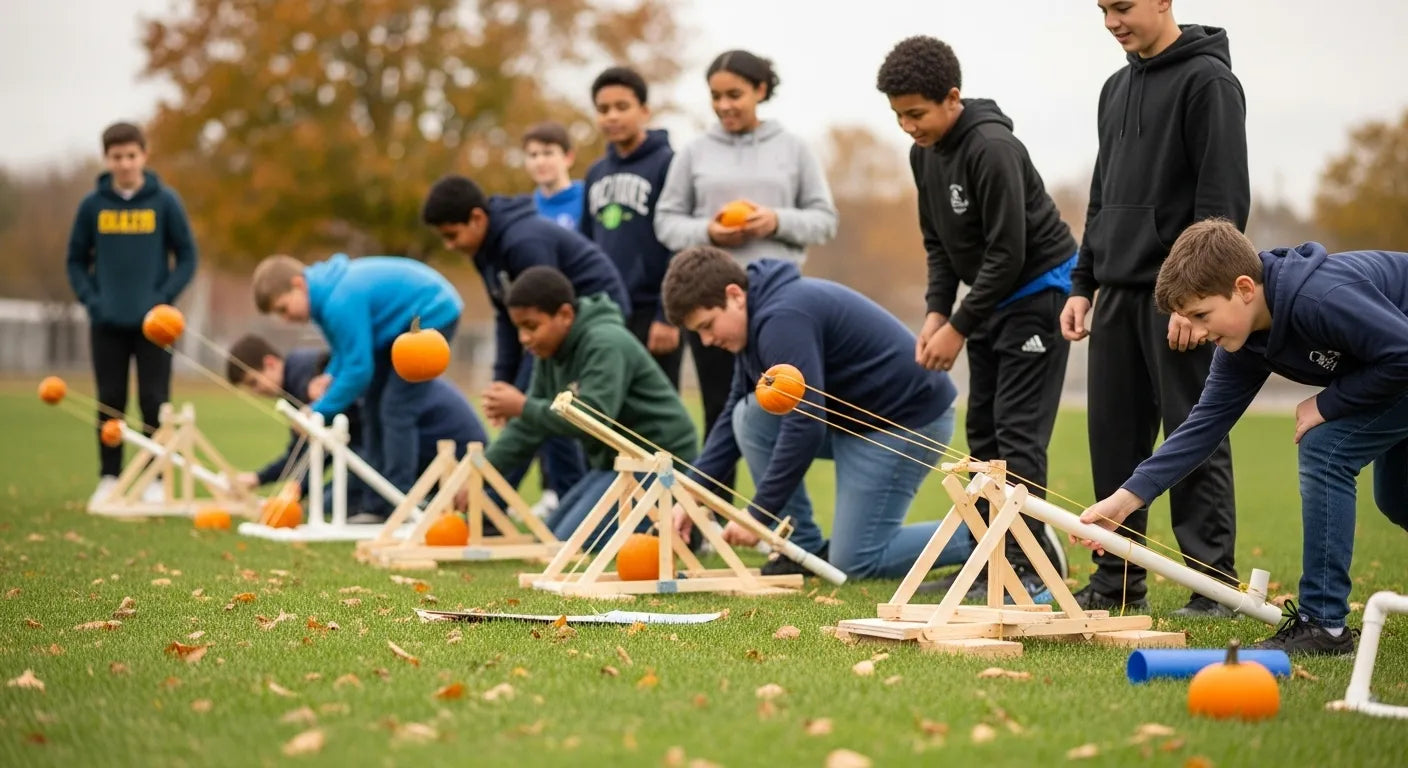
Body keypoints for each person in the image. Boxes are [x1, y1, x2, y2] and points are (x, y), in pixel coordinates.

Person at [1078, 218, 1408, 654]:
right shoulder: (1244, 344)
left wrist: (1326, 404)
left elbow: (1402, 354)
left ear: (1244, 289)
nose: (1198, 331)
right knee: (1397, 496)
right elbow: (1203, 426)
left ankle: (1324, 625)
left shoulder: (1318, 297)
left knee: (1325, 449)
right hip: (1392, 373)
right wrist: (1125, 501)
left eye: (1201, 314)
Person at [1060, 0, 1249, 615]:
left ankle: (1212, 588)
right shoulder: (1114, 87)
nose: (1112, 21)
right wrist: (1082, 281)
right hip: (1113, 294)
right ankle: (1114, 585)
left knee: (1192, 438)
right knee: (1112, 441)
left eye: (1123, 7)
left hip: (1179, 301)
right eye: (1102, 10)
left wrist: (1193, 299)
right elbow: (1101, 195)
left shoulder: (1209, 82)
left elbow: (1222, 198)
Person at [876, 35, 1074, 596]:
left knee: (1016, 437)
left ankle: (1032, 571)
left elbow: (1008, 253)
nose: (909, 127)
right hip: (989, 301)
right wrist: (937, 314)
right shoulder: (924, 156)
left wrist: (958, 328)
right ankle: (993, 566)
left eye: (916, 113)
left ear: (952, 98)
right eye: (898, 116)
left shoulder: (991, 148)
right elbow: (939, 246)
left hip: (1037, 294)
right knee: (983, 435)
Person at [662, 247, 970, 579]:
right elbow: (732, 417)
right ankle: (801, 548)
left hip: (906, 423)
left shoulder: (782, 319)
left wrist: (758, 515)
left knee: (855, 561)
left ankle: (995, 535)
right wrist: (691, 494)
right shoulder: (758, 321)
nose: (706, 340)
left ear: (735, 295)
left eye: (707, 325)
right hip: (857, 425)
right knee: (748, 416)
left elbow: (805, 422)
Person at [654, 49, 838, 478]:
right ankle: (714, 513)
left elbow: (824, 221)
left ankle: (779, 514)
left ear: (760, 90)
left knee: (786, 409)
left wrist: (776, 220)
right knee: (721, 409)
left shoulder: (793, 150)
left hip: (777, 302)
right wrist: (709, 233)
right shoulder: (693, 153)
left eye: (734, 94)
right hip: (714, 304)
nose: (723, 106)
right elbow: (665, 222)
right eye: (715, 96)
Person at [421, 175, 632, 514]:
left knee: (540, 405)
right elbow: (509, 317)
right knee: (539, 407)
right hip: (548, 327)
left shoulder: (523, 242)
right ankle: (561, 502)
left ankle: (495, 501)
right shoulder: (485, 253)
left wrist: (518, 396)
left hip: (592, 317)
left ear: (477, 218)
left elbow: (540, 312)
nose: (449, 245)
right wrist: (501, 379)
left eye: (451, 235)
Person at [482, 266, 697, 545]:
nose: (524, 338)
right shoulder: (548, 352)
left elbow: (595, 418)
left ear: (565, 315)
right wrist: (482, 472)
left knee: (570, 542)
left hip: (658, 464)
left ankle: (686, 526)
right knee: (549, 537)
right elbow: (527, 429)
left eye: (531, 326)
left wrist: (523, 406)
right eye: (519, 329)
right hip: (614, 467)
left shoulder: (605, 342)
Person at [250, 253, 463, 520]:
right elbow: (347, 351)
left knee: (395, 409)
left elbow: (360, 369)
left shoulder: (338, 302)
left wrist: (319, 411)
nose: (284, 318)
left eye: (283, 308)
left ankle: (400, 501)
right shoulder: (326, 300)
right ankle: (376, 501)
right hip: (392, 332)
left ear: (298, 285)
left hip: (432, 313)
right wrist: (330, 376)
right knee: (371, 408)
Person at [65, 121, 197, 502]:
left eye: (131, 155)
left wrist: (164, 298)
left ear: (144, 155)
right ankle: (109, 476)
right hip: (107, 322)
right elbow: (75, 261)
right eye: (116, 156)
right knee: (110, 398)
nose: (124, 163)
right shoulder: (92, 207)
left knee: (155, 400)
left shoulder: (165, 201)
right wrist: (93, 300)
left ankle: (156, 479)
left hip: (155, 326)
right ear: (106, 159)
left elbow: (188, 256)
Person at [225, 334, 487, 522]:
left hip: (438, 438)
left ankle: (413, 503)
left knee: (331, 501)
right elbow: (308, 450)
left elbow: (325, 445)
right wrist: (268, 482)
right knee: (328, 499)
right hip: (403, 441)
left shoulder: (305, 377)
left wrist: (290, 490)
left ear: (270, 363)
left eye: (254, 383)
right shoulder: (297, 376)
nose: (256, 393)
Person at [579, 65, 683, 387]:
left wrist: (667, 316)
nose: (612, 116)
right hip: (607, 312)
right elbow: (585, 246)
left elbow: (680, 243)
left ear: (645, 111)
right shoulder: (595, 173)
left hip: (653, 312)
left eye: (622, 107)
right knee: (608, 408)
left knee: (656, 411)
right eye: (603, 109)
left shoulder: (669, 164)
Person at [523, 121, 585, 230]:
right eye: (533, 155)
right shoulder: (526, 210)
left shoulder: (589, 198)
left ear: (568, 158)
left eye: (548, 153)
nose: (540, 162)